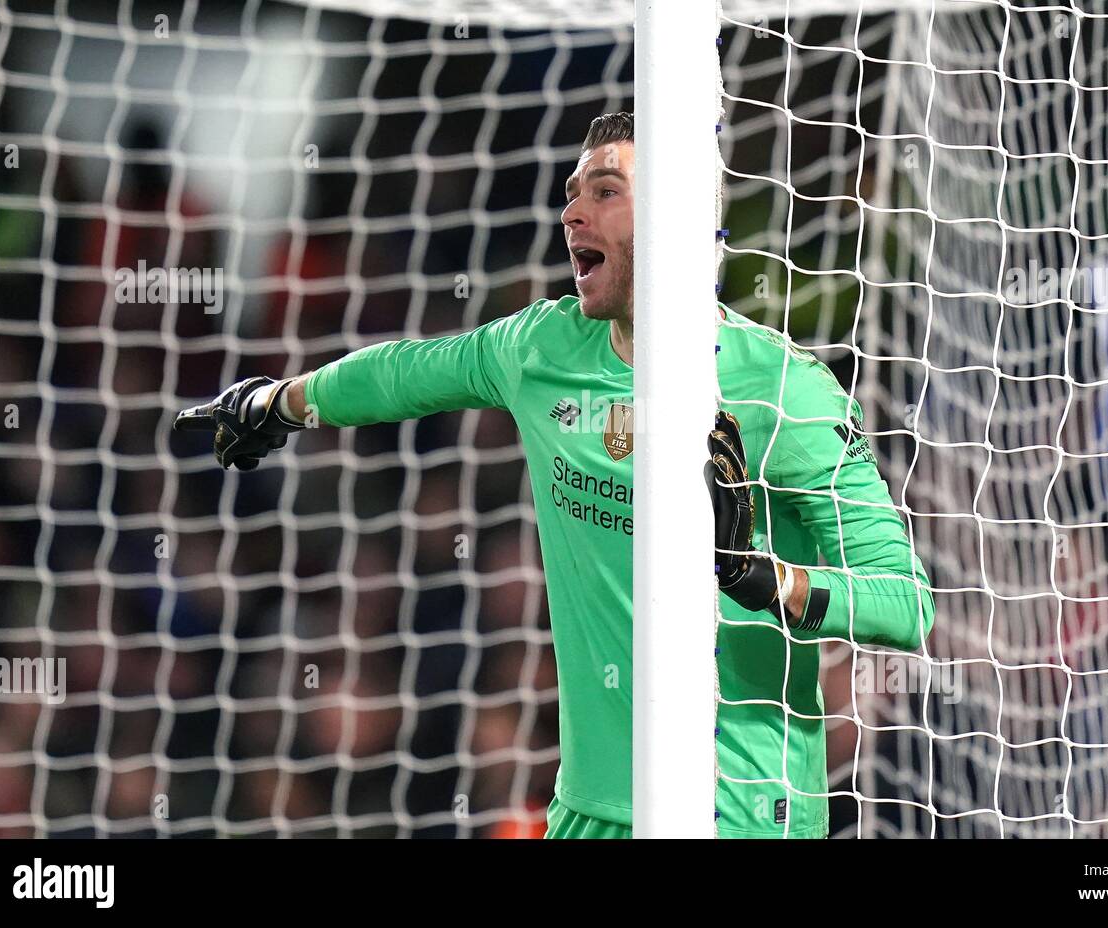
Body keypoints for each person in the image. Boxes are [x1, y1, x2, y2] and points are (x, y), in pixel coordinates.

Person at [174, 112, 935, 838]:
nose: (573, 214)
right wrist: (278, 403)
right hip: (589, 808)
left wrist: (764, 581)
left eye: (604, 191)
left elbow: (907, 605)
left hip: (737, 811)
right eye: (571, 194)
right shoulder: (542, 351)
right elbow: (407, 372)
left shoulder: (783, 388)